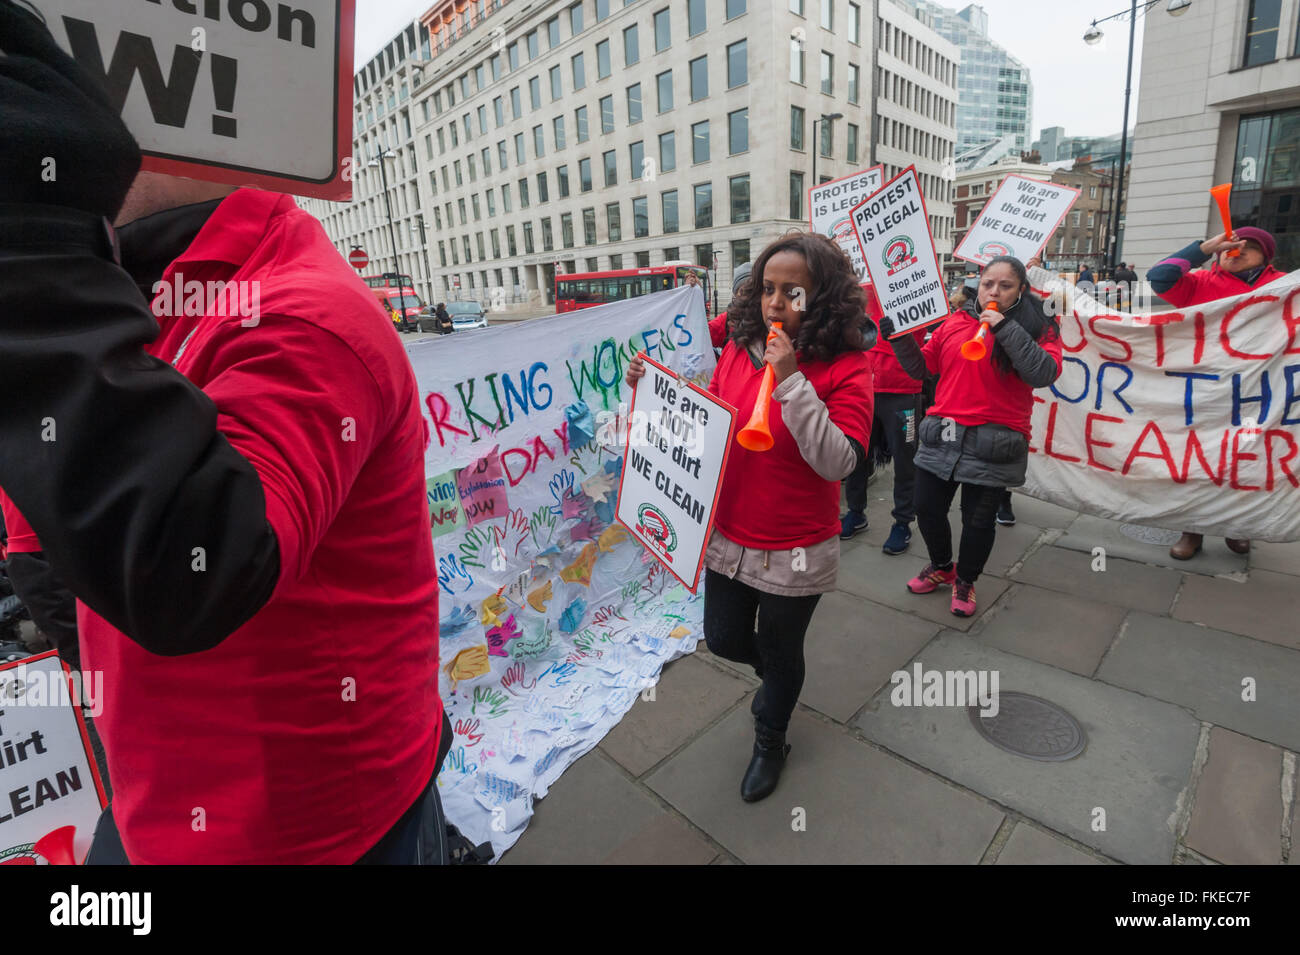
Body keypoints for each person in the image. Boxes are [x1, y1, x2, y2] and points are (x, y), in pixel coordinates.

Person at [0, 2, 446, 864]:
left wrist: (32, 251)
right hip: (150, 804)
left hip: (313, 835)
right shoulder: (128, 291)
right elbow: (43, 528)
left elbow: (191, 560)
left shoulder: (310, 312)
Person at [627, 234, 873, 802]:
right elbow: (711, 411)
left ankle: (771, 735)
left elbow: (840, 460)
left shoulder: (847, 366)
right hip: (732, 530)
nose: (774, 304)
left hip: (795, 544)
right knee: (724, 638)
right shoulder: (741, 347)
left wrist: (791, 380)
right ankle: (782, 683)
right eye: (767, 290)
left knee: (783, 652)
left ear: (825, 299)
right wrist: (661, 390)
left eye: (793, 292)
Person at [881, 256, 1063, 617]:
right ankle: (942, 566)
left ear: (1021, 290)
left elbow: (1043, 373)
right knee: (926, 507)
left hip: (995, 440)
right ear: (977, 286)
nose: (993, 291)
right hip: (942, 434)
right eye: (987, 284)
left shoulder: (1039, 325)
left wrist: (1004, 328)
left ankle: (965, 580)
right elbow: (922, 368)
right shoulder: (955, 323)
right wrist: (899, 339)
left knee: (977, 520)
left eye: (1005, 286)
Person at [1148, 226, 1285, 560]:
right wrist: (1206, 246)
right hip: (1206, 391)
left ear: (1265, 256)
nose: (1234, 251)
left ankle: (1237, 528)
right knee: (1199, 462)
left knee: (1247, 463)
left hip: (1257, 393)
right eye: (1229, 246)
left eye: (1246, 247)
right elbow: (1159, 277)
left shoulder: (1283, 286)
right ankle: (1191, 529)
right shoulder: (1199, 284)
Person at [840, 285, 925, 555]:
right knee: (856, 454)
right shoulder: (861, 289)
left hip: (902, 389)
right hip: (865, 386)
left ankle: (902, 522)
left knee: (905, 461)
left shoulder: (915, 283)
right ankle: (856, 512)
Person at [707, 261, 753, 348]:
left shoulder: (767, 322)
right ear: (735, 294)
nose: (748, 296)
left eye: (751, 290)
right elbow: (701, 335)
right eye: (743, 291)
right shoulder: (727, 319)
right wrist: (693, 296)